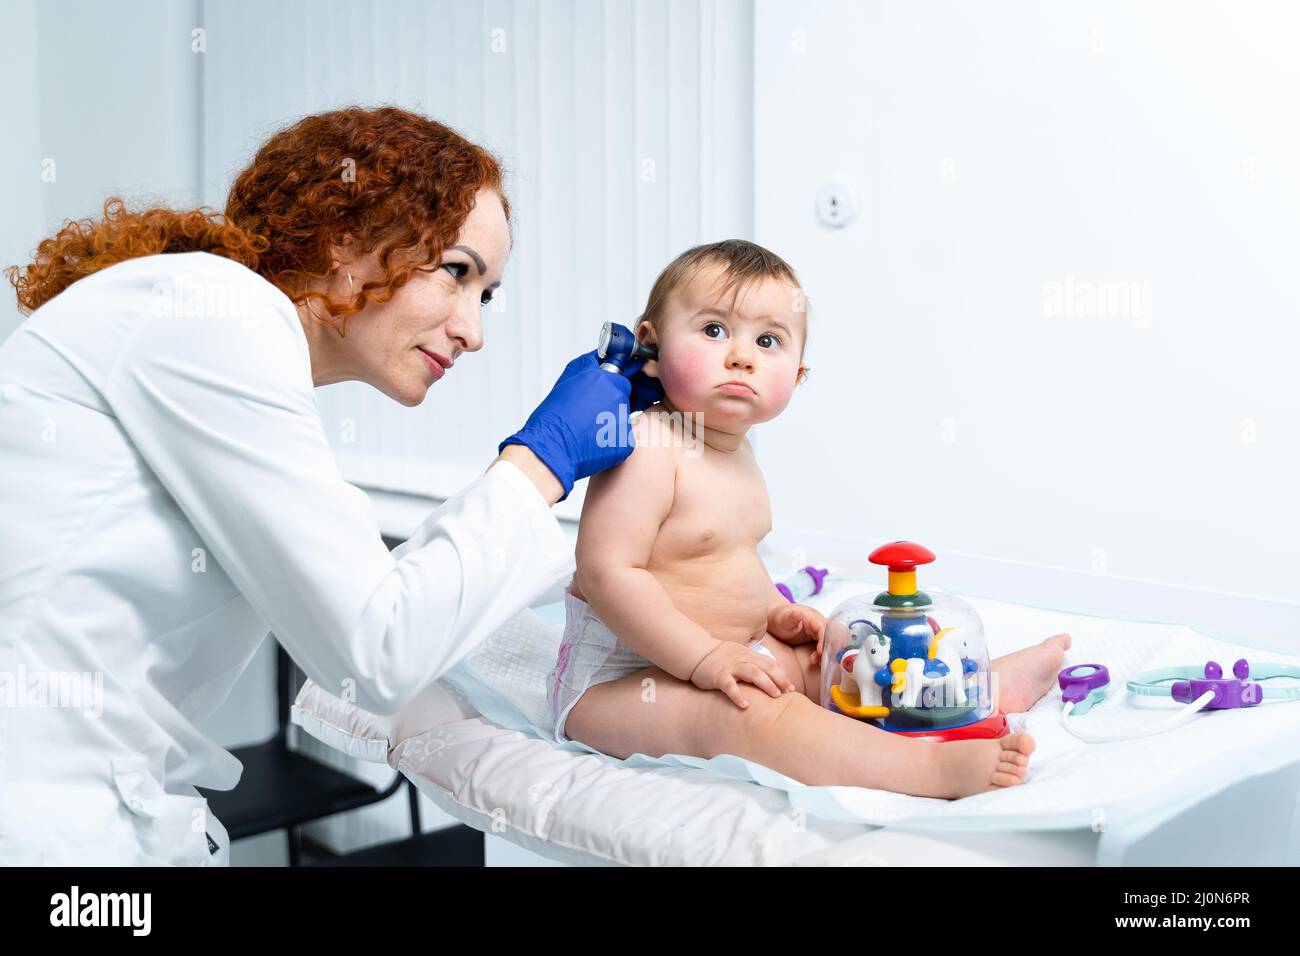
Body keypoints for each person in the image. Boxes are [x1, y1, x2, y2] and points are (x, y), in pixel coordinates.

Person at [0, 106, 658, 865]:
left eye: (486, 296)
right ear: (346, 238)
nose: (472, 330)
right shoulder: (212, 314)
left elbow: (370, 600)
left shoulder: (221, 339)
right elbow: (372, 655)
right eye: (456, 272)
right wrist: (542, 459)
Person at [548, 240, 1072, 798]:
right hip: (622, 684)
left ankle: (968, 693)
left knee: (838, 661)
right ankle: (929, 771)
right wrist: (705, 659)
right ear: (650, 344)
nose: (741, 356)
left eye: (767, 340)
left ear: (796, 376)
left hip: (730, 654)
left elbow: (721, 561)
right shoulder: (647, 445)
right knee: (744, 713)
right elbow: (608, 573)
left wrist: (775, 610)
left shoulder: (738, 455)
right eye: (714, 331)